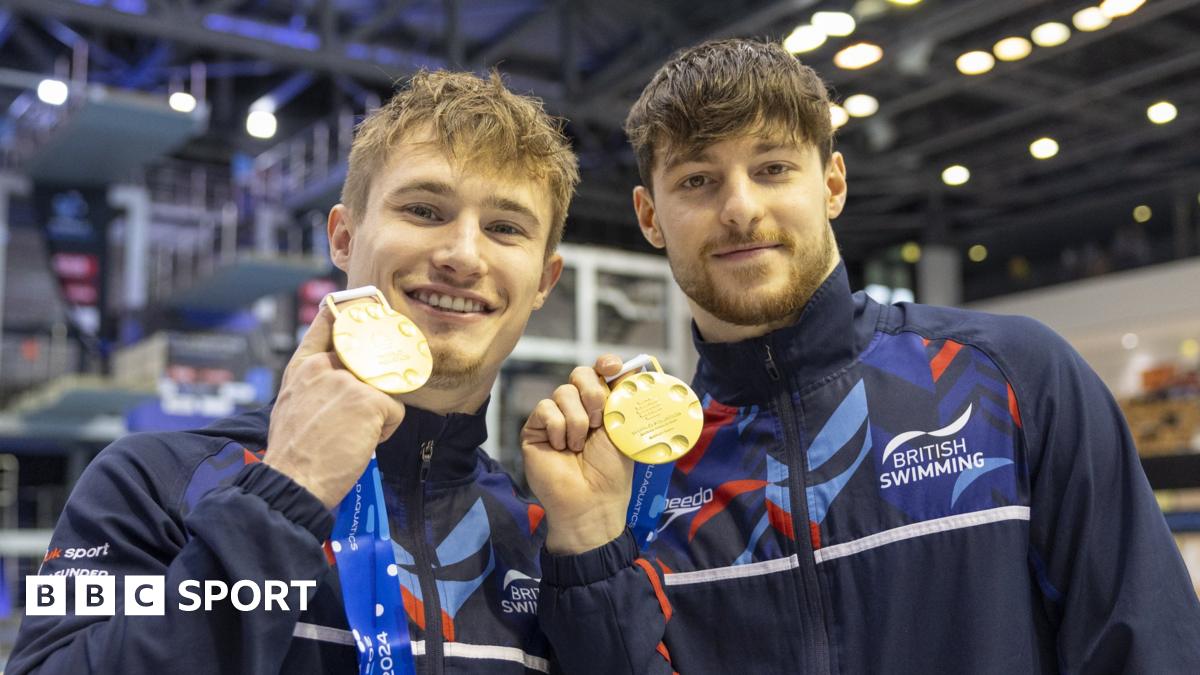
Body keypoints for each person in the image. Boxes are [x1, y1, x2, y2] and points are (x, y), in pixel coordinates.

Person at [523, 39, 1200, 674]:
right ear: (649, 216)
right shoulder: (642, 481)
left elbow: (1150, 647)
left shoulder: (1013, 380)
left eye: (773, 168)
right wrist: (588, 540)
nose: (740, 207)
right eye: (698, 180)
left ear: (833, 184)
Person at [9, 69, 578, 674]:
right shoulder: (149, 482)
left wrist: (597, 555)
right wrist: (285, 497)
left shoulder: (545, 538)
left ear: (543, 281)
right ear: (343, 236)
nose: (463, 255)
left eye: (505, 228)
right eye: (423, 209)